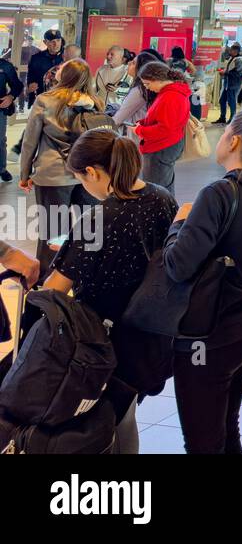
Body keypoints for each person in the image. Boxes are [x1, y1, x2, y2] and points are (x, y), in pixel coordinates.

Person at [166, 107, 242, 454]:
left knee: (202, 439)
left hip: (208, 335)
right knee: (225, 424)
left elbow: (178, 265)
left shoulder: (219, 194)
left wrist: (180, 223)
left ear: (233, 140)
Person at [48, 129, 178, 454]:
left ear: (92, 172)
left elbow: (55, 291)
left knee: (104, 423)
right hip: (153, 332)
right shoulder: (162, 197)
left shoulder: (99, 218)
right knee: (126, 414)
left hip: (105, 340)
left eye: (81, 178)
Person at [18, 59, 103, 272]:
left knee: (53, 230)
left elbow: (30, 142)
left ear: (65, 76)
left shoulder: (46, 101)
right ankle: (89, 272)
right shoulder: (96, 102)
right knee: (91, 228)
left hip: (53, 174)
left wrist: (25, 174)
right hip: (89, 174)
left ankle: (48, 281)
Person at [131, 62, 192, 193]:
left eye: (147, 84)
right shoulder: (171, 92)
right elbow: (161, 119)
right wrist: (143, 123)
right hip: (166, 145)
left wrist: (140, 130)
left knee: (157, 190)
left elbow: (164, 128)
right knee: (163, 185)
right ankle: (165, 212)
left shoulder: (171, 96)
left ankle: (161, 213)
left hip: (161, 147)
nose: (147, 88)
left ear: (157, 79)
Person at [112, 50, 161, 129]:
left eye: (133, 63)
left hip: (135, 137)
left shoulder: (139, 91)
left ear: (141, 69)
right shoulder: (147, 88)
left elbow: (117, 120)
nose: (129, 63)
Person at [24, 28, 64, 103]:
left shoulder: (67, 56)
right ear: (45, 42)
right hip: (42, 98)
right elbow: (31, 79)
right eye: (52, 41)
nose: (56, 44)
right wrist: (29, 88)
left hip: (62, 99)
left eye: (58, 40)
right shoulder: (36, 58)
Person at [0, 48, 21, 183]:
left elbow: (17, 85)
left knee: (0, 141)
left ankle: (1, 169)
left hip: (0, 108)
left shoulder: (5, 66)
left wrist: (11, 96)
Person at [215, 44, 242, 124]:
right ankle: (222, 117)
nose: (229, 51)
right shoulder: (232, 58)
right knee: (222, 100)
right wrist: (224, 72)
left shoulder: (238, 60)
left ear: (235, 51)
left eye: (231, 50)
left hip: (233, 84)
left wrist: (225, 73)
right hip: (227, 84)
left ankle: (233, 118)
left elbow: (237, 74)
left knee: (231, 101)